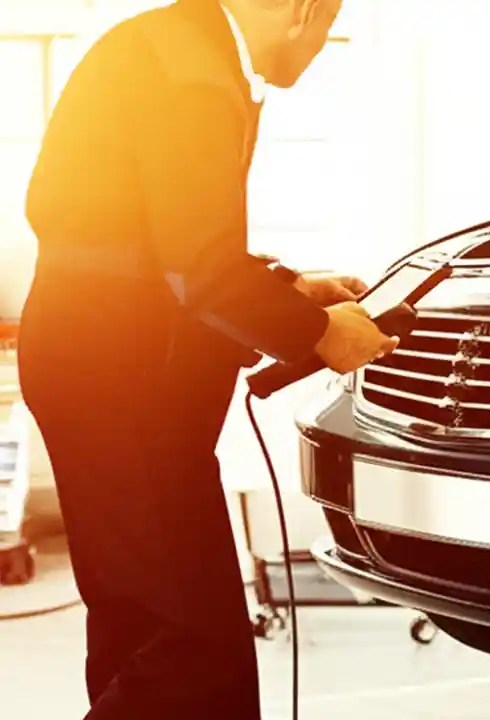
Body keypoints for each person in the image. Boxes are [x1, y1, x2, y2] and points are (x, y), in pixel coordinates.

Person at [17, 0, 393, 718]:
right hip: (122, 385)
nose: (317, 51)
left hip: (91, 364)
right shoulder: (194, 75)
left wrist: (289, 290)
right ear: (303, 11)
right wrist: (319, 332)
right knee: (194, 651)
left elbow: (154, 239)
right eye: (327, 26)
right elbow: (201, 268)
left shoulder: (165, 46)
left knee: (140, 622)